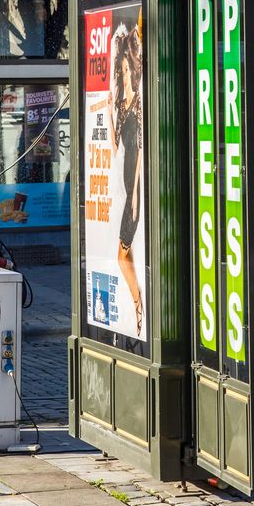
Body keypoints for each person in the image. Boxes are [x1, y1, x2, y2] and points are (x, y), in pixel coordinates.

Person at [108, 25, 144, 338]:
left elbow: (140, 150)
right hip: (124, 185)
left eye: (125, 68)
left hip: (135, 186)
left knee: (123, 252)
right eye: (119, 69)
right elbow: (115, 149)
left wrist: (134, 194)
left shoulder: (139, 105)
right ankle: (137, 305)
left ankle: (137, 304)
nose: (123, 73)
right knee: (123, 252)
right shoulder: (121, 106)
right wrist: (109, 114)